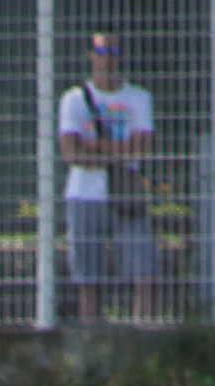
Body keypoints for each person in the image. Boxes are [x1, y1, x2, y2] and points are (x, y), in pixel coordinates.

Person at [57, 33, 160, 323]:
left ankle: (143, 335)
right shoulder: (74, 99)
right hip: (84, 195)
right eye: (102, 51)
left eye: (114, 51)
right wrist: (120, 151)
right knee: (89, 281)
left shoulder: (138, 98)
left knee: (145, 274)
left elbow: (142, 149)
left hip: (127, 195)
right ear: (91, 54)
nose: (108, 58)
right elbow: (72, 153)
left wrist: (97, 146)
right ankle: (93, 338)